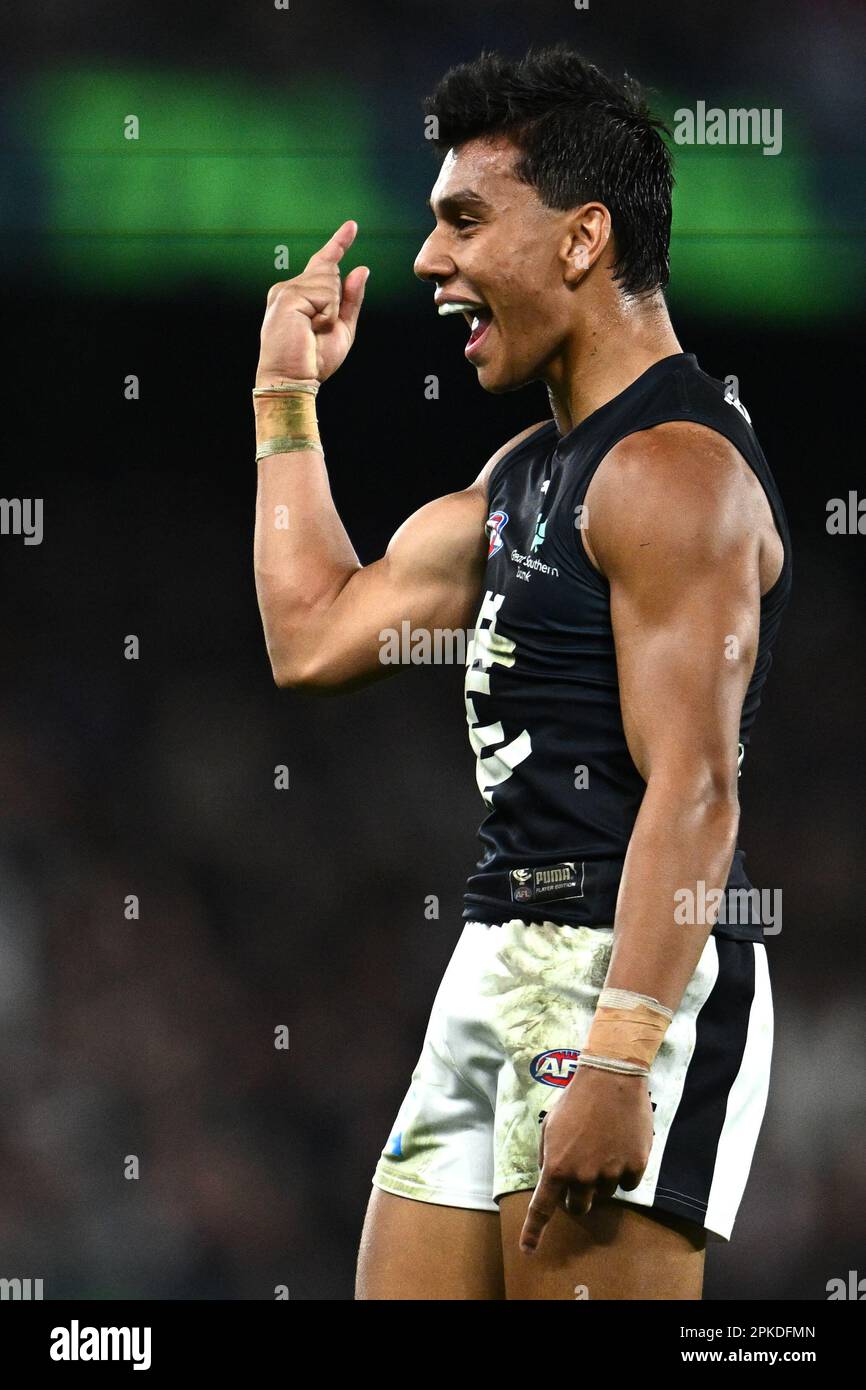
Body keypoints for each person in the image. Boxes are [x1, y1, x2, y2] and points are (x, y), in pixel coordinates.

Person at [251, 44, 791, 1300]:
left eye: (461, 220)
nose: (430, 260)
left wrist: (619, 1054)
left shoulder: (671, 472)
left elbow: (695, 790)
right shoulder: (522, 478)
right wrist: (286, 399)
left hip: (623, 963)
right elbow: (315, 634)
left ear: (580, 238)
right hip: (496, 952)